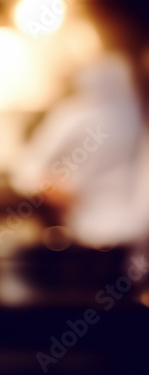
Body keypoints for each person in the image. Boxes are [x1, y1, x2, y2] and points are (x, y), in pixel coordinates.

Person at [12, 54, 149, 248]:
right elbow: (27, 171)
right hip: (88, 232)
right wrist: (56, 189)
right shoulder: (74, 115)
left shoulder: (138, 115)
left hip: (135, 235)